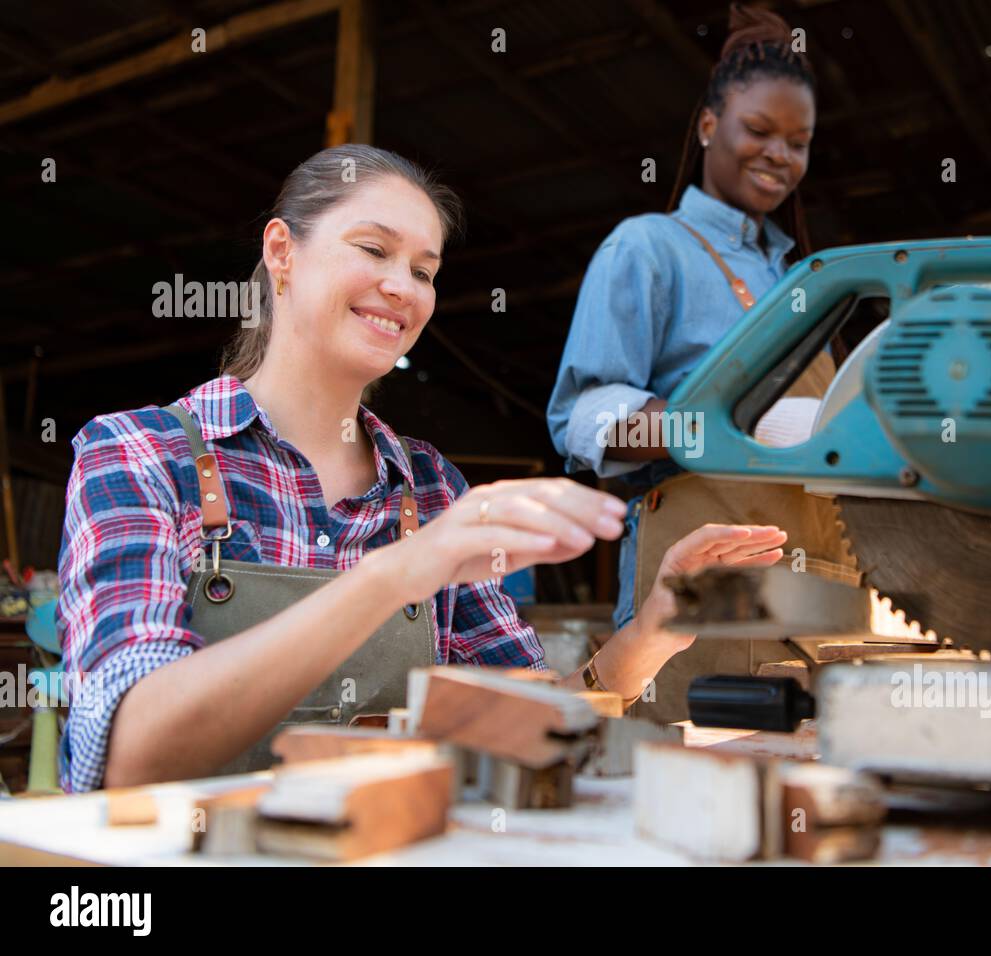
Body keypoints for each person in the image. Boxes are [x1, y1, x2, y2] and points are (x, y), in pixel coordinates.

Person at [57, 144, 787, 792]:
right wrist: (397, 574)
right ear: (281, 251)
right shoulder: (137, 454)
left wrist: (652, 631)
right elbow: (131, 753)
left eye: (424, 270)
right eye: (373, 250)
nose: (403, 288)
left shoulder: (431, 488)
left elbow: (522, 716)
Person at [547, 4, 860, 723]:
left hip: (821, 614)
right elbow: (581, 420)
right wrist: (728, 426)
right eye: (759, 131)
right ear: (710, 126)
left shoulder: (804, 279)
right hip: (700, 615)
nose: (780, 156)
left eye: (798, 141)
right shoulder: (648, 248)